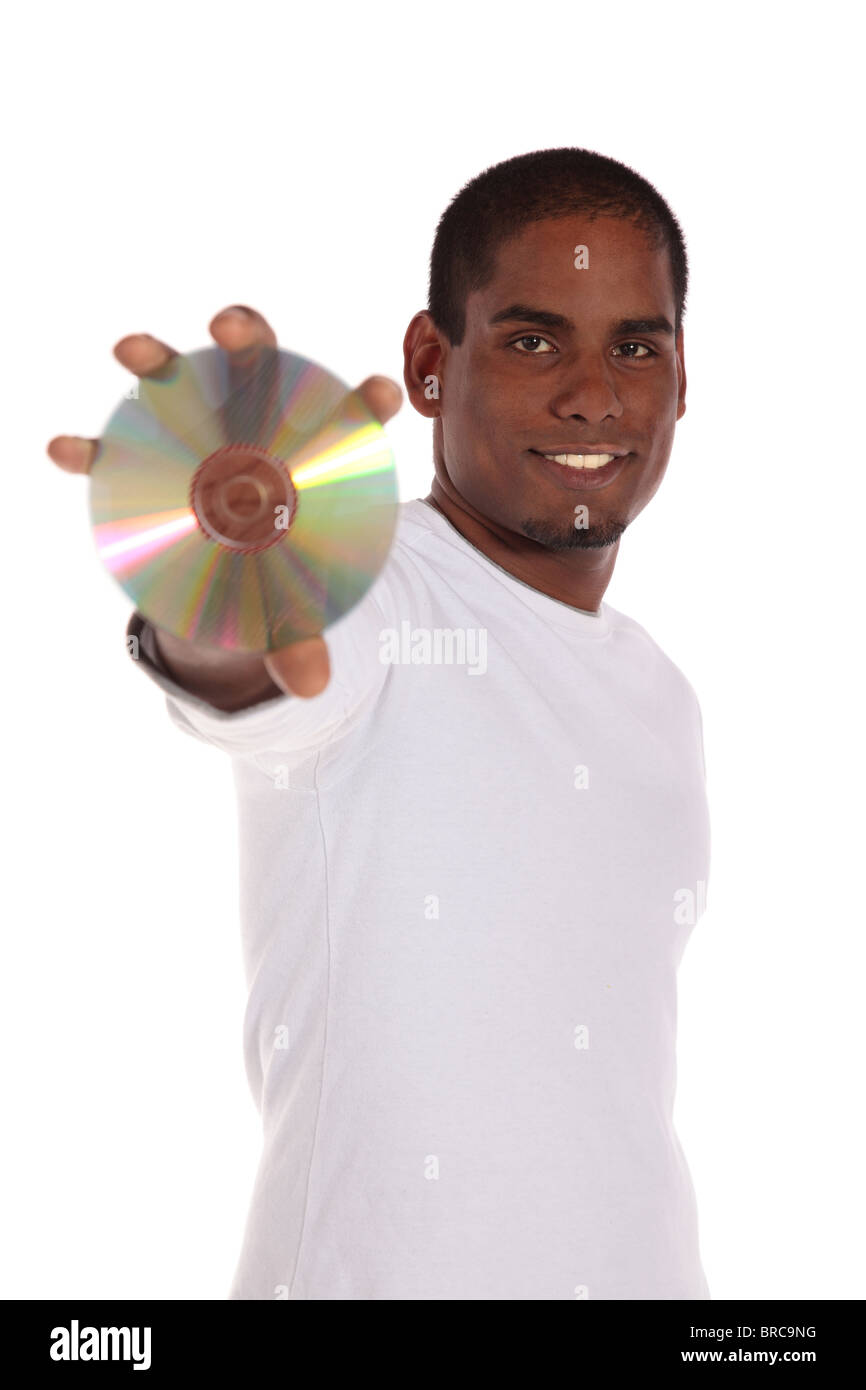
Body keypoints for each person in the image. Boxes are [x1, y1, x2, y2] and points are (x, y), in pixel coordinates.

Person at [48, 146, 712, 1301]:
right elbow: (266, 654)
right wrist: (222, 553)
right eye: (532, 338)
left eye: (635, 346)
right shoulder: (371, 583)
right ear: (428, 364)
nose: (592, 395)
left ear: (681, 376)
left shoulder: (661, 692)